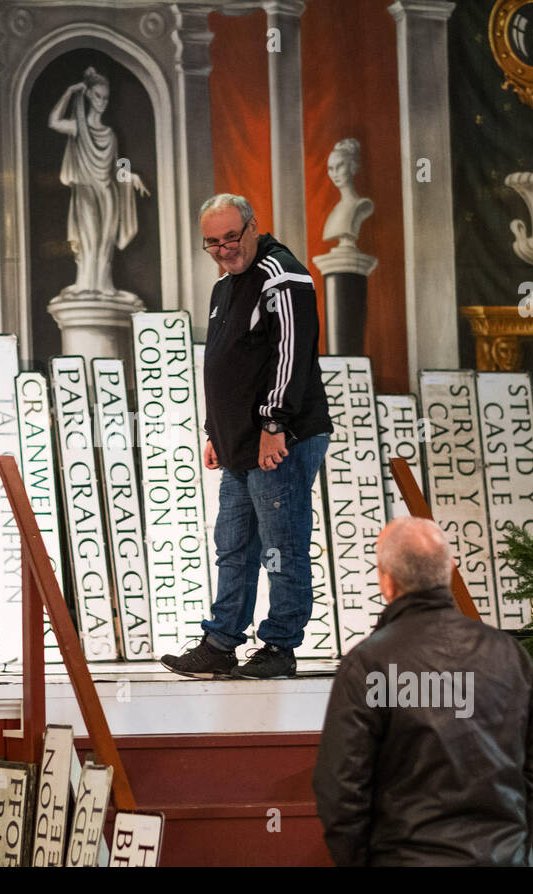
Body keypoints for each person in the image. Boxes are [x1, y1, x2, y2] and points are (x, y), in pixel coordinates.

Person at [312, 517, 533, 865]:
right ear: (450, 571)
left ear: (386, 580)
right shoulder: (509, 655)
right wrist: (512, 846)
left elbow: (340, 789)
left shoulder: (368, 664)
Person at [160, 194, 332, 680]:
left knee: (282, 546)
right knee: (234, 544)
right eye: (211, 242)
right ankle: (220, 643)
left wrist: (274, 425)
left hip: (282, 438)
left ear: (254, 226)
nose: (222, 249)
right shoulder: (226, 286)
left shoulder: (283, 274)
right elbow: (226, 364)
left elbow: (292, 356)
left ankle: (280, 646)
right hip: (239, 444)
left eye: (230, 237)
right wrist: (218, 432)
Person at [48, 66, 150, 295]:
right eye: (97, 96)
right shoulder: (78, 127)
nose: (102, 102)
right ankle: (85, 284)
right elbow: (53, 121)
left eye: (106, 98)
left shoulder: (110, 133)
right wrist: (70, 91)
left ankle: (104, 285)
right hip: (86, 189)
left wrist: (130, 176)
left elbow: (115, 168)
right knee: (89, 238)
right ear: (88, 95)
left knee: (106, 241)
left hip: (107, 192)